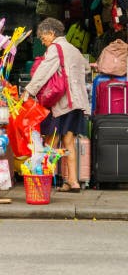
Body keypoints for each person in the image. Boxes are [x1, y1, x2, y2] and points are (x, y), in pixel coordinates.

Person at [22, 17, 90, 192]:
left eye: (43, 37)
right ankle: (73, 181)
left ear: (51, 33)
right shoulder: (74, 49)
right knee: (69, 140)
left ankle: (42, 180)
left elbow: (43, 72)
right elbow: (87, 68)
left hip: (62, 103)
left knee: (50, 141)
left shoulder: (55, 48)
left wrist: (28, 91)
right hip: (77, 103)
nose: (43, 41)